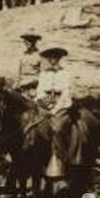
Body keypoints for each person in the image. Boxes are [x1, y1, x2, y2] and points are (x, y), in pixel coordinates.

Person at [35, 47, 87, 179]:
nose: (52, 60)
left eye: (55, 58)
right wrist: (45, 103)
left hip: (62, 104)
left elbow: (66, 93)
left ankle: (59, 159)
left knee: (57, 128)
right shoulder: (43, 74)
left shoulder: (65, 74)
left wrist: (56, 108)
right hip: (45, 104)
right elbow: (40, 91)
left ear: (59, 59)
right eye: (50, 58)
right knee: (34, 125)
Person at [16, 30, 44, 98]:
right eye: (25, 40)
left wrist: (29, 82)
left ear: (34, 42)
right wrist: (17, 83)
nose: (26, 43)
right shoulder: (23, 55)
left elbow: (43, 75)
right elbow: (19, 73)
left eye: (29, 40)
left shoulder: (40, 56)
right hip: (21, 88)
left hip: (34, 88)